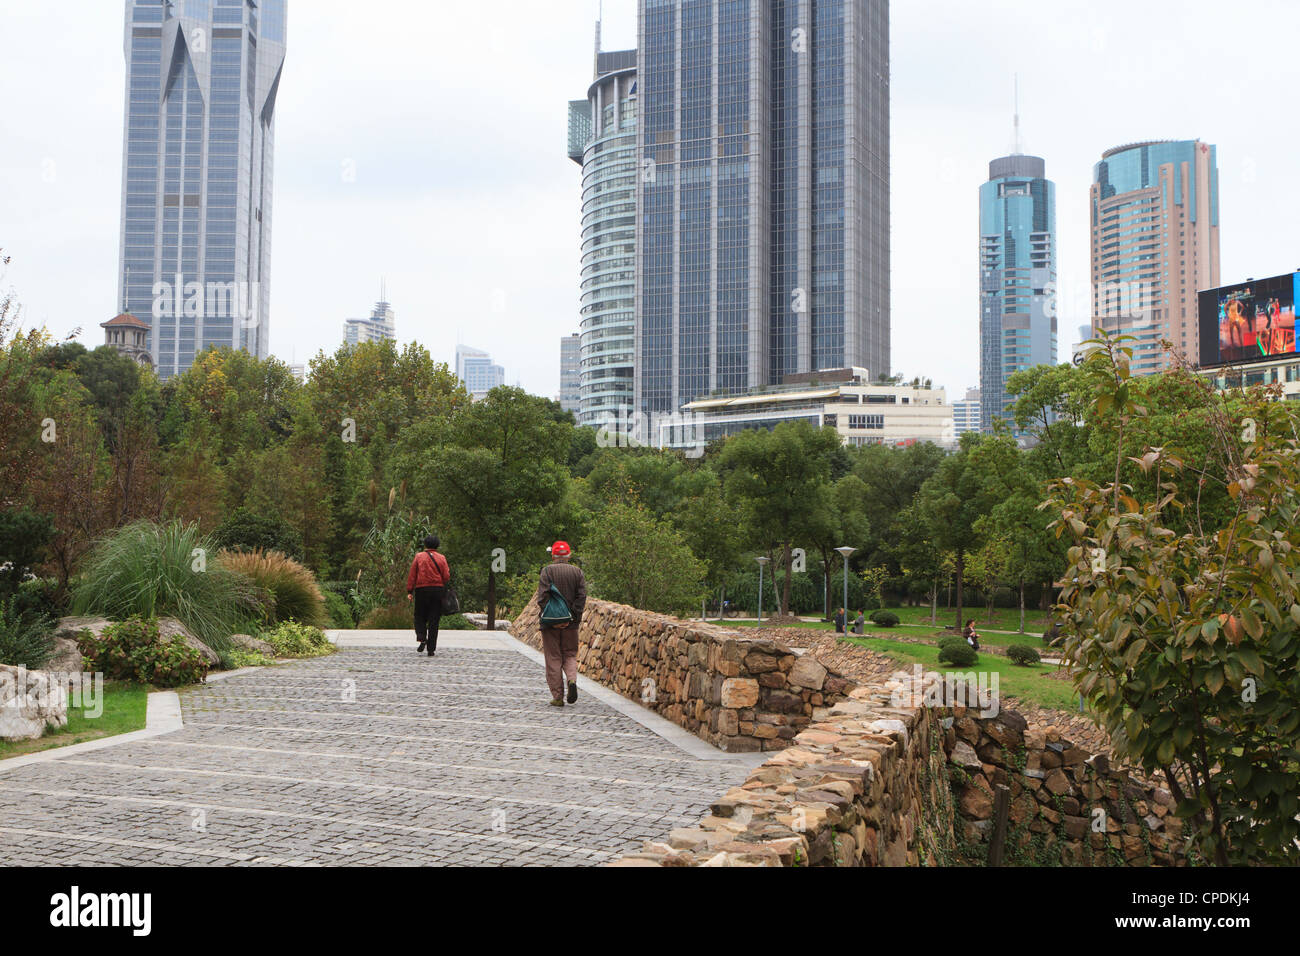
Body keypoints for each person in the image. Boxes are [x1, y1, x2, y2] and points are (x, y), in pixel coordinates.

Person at [535, 540, 587, 707]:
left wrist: (553, 619)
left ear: (553, 555)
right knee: (570, 654)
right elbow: (582, 596)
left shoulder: (547, 571)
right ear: (569, 555)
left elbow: (542, 598)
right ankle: (571, 680)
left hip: (550, 624)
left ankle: (558, 697)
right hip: (571, 624)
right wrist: (571, 617)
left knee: (553, 658)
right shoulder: (577, 572)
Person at [406, 534, 450, 657]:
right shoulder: (442, 558)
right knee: (434, 619)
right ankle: (431, 649)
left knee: (419, 616)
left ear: (425, 544)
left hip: (422, 590)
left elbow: (412, 575)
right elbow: (446, 576)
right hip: (437, 591)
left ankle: (422, 637)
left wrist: (410, 591)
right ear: (437, 545)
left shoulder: (419, 557)